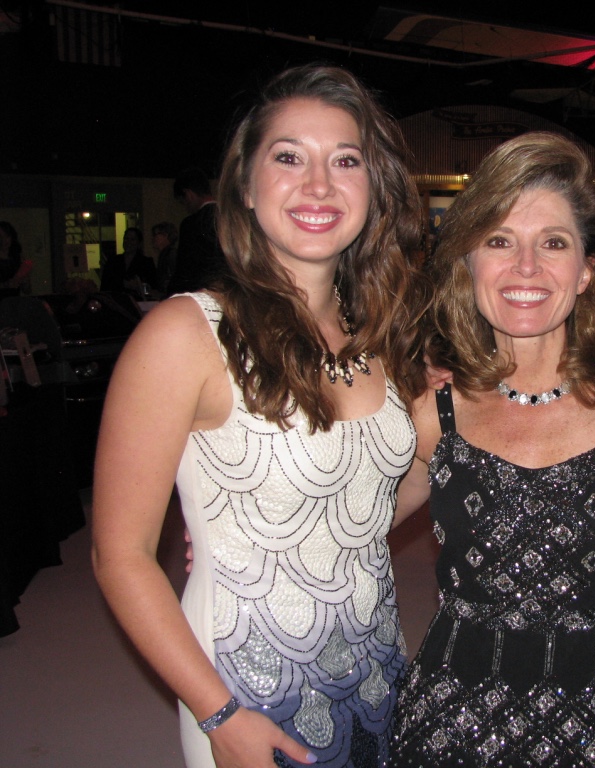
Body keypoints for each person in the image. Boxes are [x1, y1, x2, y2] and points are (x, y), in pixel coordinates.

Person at [92, 63, 429, 768]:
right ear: (244, 186)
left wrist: (440, 441)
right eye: (288, 158)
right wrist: (219, 715)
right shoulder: (187, 335)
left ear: (375, 190)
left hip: (376, 666)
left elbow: (362, 512)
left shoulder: (380, 335)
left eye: (346, 161)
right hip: (248, 685)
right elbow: (119, 556)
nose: (318, 185)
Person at [389, 132, 595, 766]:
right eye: (499, 241)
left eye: (554, 243)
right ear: (469, 262)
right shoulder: (436, 415)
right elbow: (351, 527)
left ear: (588, 267)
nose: (526, 268)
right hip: (451, 721)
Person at [167, 166, 228, 294]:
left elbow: (185, 271)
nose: (186, 208)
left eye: (182, 202)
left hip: (204, 293)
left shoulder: (191, 224)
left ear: (188, 195)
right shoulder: (232, 217)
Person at [100, 225, 157, 297]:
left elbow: (153, 286)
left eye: (132, 239)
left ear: (139, 243)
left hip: (138, 303)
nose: (128, 242)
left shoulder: (146, 262)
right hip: (116, 301)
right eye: (126, 239)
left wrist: (138, 286)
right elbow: (105, 285)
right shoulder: (113, 261)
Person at [0, 221, 32, 298]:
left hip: (14, 302)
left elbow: (27, 290)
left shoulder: (18, 257)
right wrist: (6, 285)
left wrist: (24, 282)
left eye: (7, 236)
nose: (4, 240)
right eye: (1, 237)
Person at [151, 220, 179, 296]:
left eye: (156, 234)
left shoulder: (171, 254)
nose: (153, 238)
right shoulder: (165, 254)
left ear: (166, 235)